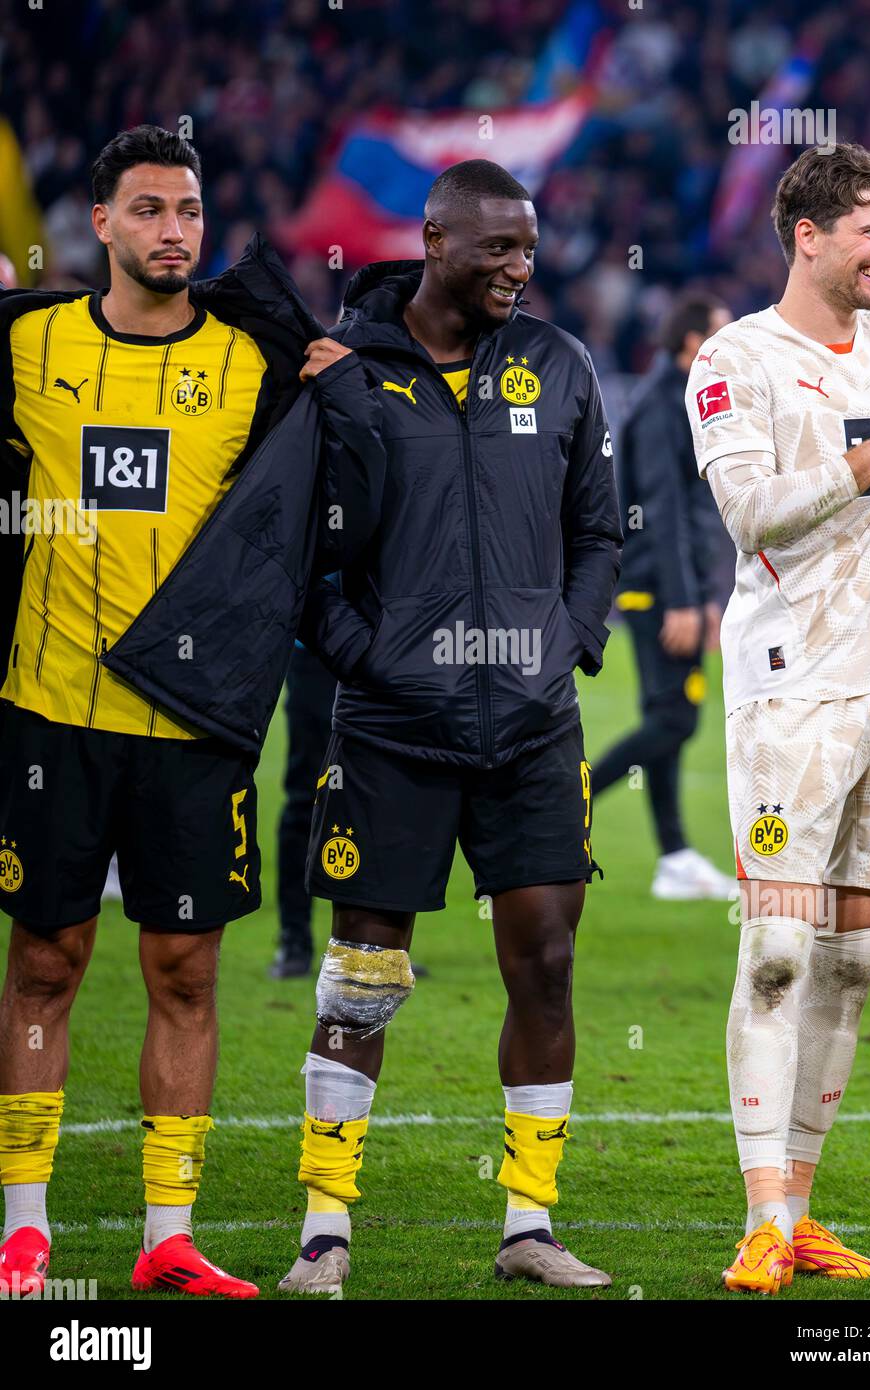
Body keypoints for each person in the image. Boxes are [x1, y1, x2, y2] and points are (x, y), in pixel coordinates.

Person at [0, 125, 385, 1299]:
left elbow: (353, 489)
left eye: (190, 212)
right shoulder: (29, 344)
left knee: (184, 972)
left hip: (195, 719)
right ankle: (25, 1228)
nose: (177, 232)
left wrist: (344, 392)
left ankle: (168, 1234)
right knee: (44, 963)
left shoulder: (257, 360)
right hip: (49, 709)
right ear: (101, 225)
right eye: (151, 210)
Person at [278, 159, 623, 1294]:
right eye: (497, 251)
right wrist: (367, 657)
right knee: (361, 981)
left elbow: (599, 531)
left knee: (549, 964)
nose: (520, 270)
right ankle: (325, 1228)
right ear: (433, 242)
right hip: (390, 726)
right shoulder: (345, 372)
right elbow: (303, 555)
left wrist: (568, 640)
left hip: (531, 725)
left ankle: (530, 1224)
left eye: (528, 250)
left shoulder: (559, 367)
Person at [685, 142, 870, 1294]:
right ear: (805, 234)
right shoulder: (736, 357)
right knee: (777, 952)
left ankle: (800, 1213)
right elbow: (752, 507)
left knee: (855, 958)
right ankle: (758, 1214)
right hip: (791, 684)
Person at [592, 291, 736, 900]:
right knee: (675, 719)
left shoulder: (679, 401)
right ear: (690, 343)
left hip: (670, 587)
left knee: (666, 718)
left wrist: (703, 593)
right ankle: (566, 799)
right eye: (720, 333)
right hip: (656, 590)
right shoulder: (660, 406)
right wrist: (684, 599)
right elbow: (660, 510)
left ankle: (675, 857)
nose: (729, 346)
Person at [268, 641, 337, 980]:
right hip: (316, 651)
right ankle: (294, 938)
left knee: (387, 800)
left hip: (385, 646)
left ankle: (384, 945)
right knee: (307, 797)